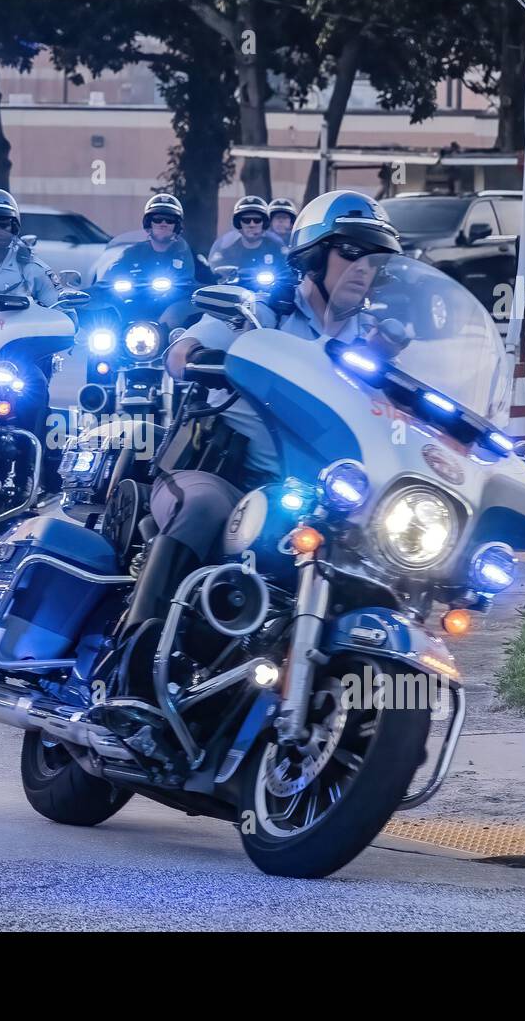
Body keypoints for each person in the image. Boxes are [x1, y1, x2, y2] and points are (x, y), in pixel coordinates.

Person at [106, 190, 403, 699]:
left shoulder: (372, 342)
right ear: (314, 254)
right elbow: (179, 352)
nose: (362, 268)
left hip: (329, 496)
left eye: (374, 259)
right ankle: (134, 665)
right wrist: (201, 354)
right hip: (229, 473)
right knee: (200, 508)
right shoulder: (261, 312)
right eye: (350, 252)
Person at [109, 193, 200, 285]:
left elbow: (209, 285)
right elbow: (107, 280)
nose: (163, 224)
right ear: (148, 223)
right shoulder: (132, 254)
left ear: (177, 226)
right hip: (137, 299)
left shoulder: (189, 256)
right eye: (157, 219)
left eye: (169, 220)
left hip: (180, 299)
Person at [208, 194, 288, 279]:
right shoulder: (228, 250)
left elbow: (287, 272)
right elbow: (216, 271)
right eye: (246, 220)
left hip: (270, 291)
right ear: (239, 223)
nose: (252, 224)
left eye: (257, 220)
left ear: (264, 223)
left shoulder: (277, 248)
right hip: (236, 290)